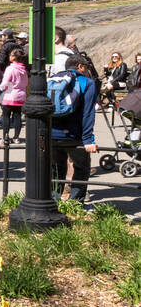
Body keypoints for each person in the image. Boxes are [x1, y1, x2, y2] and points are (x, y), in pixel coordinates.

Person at [52, 53, 98, 204]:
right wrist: (87, 139)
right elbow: (88, 113)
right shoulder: (87, 82)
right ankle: (75, 204)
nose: (87, 71)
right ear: (80, 66)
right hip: (74, 135)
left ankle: (54, 202)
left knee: (56, 169)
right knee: (81, 168)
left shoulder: (53, 79)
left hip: (52, 133)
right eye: (86, 67)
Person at [0, 48, 28, 143]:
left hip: (10, 94)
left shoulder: (10, 68)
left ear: (14, 57)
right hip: (20, 95)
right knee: (17, 116)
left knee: (6, 116)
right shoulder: (24, 69)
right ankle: (16, 137)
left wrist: (2, 89)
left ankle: (5, 136)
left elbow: (5, 83)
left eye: (11, 55)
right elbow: (26, 82)